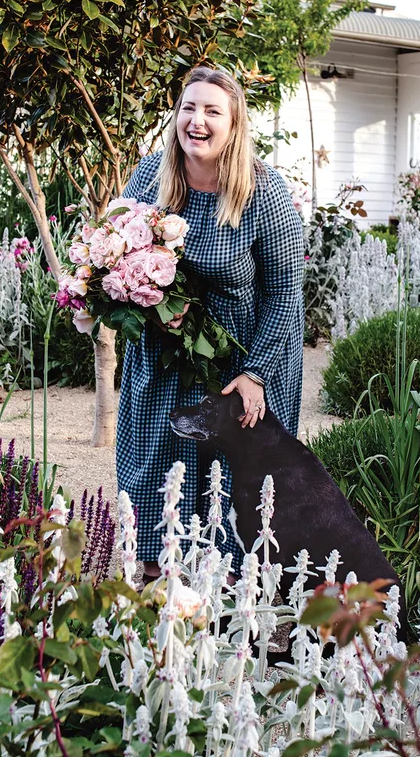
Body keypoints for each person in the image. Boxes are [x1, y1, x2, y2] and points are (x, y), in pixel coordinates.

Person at [115, 65, 305, 582]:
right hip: (165, 349)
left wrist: (256, 372)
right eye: (188, 108)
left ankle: (237, 589)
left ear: (234, 124)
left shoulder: (261, 192)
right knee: (158, 458)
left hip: (242, 354)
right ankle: (154, 575)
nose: (197, 121)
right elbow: (117, 251)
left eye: (212, 111)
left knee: (233, 476)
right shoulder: (151, 177)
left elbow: (287, 290)